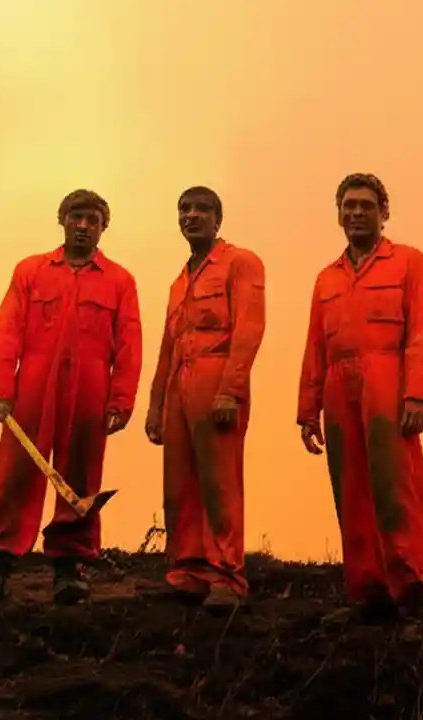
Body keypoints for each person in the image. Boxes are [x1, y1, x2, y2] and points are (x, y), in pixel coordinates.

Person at [0, 189, 142, 605]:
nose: (83, 225)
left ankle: (71, 564)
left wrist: (121, 400)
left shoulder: (119, 281)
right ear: (61, 219)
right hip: (33, 385)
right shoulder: (31, 271)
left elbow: (129, 345)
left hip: (90, 388)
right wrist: (0, 389)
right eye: (76, 216)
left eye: (92, 219)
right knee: (14, 472)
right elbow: (7, 331)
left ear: (103, 227)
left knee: (80, 475)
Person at [297, 173, 423, 638]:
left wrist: (418, 394)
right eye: (348, 206)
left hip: (388, 380)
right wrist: (307, 409)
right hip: (339, 388)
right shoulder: (326, 278)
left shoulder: (408, 263)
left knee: (397, 489)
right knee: (352, 491)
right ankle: (369, 593)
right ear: (338, 213)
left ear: (384, 212)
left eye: (366, 205)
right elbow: (314, 347)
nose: (356, 213)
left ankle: (418, 595)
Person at [144, 186, 266, 613]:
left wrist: (230, 390)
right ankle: (188, 570)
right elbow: (167, 344)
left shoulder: (241, 262)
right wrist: (156, 404)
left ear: (218, 219)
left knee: (220, 480)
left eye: (201, 209)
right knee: (179, 481)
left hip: (217, 377)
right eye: (184, 209)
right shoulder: (180, 281)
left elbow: (249, 330)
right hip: (180, 382)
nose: (191, 216)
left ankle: (227, 575)